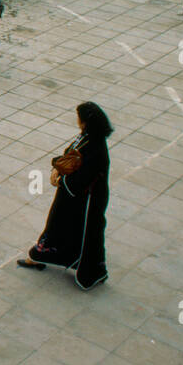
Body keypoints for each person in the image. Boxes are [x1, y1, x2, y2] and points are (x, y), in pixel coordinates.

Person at [17, 102, 112, 291]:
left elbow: (84, 178)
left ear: (85, 122)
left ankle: (91, 272)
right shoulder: (87, 137)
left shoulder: (96, 148)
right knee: (58, 225)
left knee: (84, 232)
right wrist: (56, 167)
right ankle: (40, 256)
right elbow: (69, 155)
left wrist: (61, 180)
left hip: (86, 202)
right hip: (73, 196)